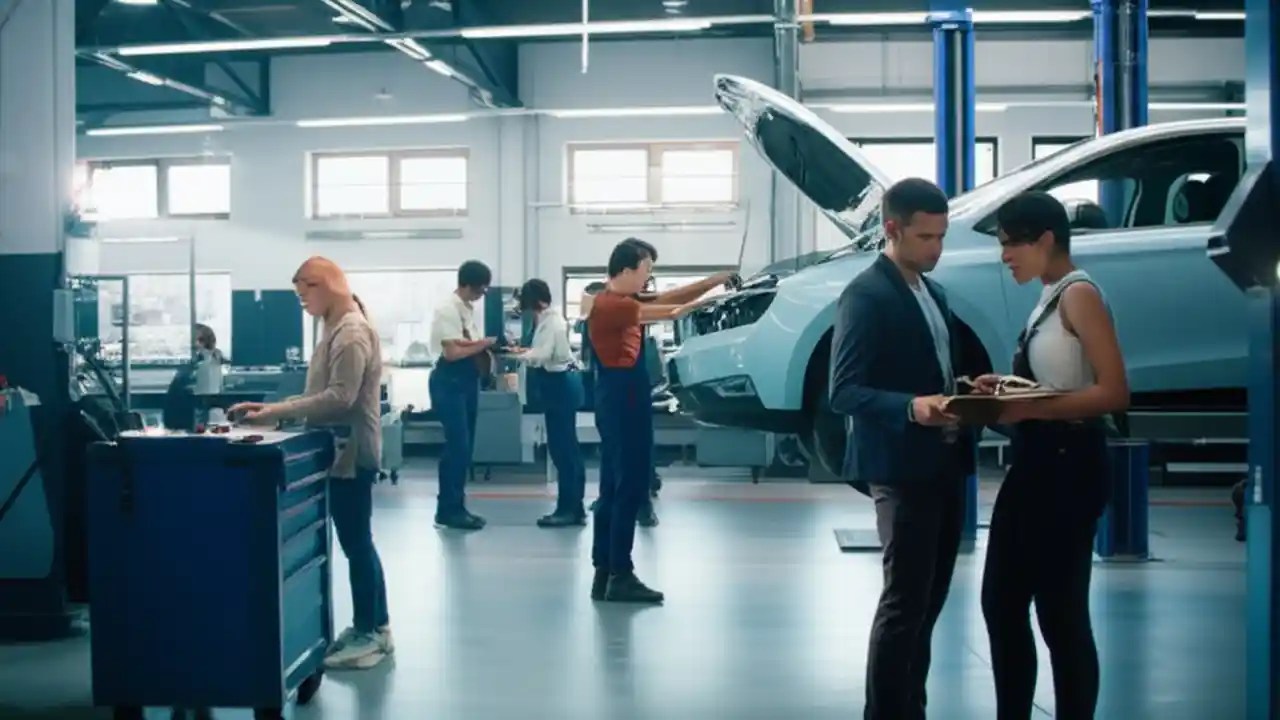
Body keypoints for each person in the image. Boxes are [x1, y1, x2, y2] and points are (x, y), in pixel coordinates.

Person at [828, 178, 982, 720]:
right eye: (925, 238)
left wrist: (968, 389)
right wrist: (911, 407)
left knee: (928, 605)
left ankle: (909, 707)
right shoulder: (866, 296)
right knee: (904, 605)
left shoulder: (931, 292)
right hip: (901, 468)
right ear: (892, 230)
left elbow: (936, 371)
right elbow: (844, 390)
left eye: (942, 236)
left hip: (943, 463)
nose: (936, 248)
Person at [973, 192, 1129, 720]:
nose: (1004, 257)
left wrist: (1032, 408)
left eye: (1010, 245)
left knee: (1061, 616)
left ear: (1044, 240)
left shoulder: (1078, 294)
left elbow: (1113, 393)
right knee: (1002, 603)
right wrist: (1014, 388)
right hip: (1040, 461)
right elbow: (1063, 379)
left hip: (1068, 463)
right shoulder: (1048, 295)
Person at [229, 256, 391, 670]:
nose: (303, 301)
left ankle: (370, 630)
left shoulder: (351, 331)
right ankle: (376, 624)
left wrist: (275, 413)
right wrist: (275, 411)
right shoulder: (334, 325)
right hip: (340, 450)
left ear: (327, 286)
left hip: (351, 452)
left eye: (306, 292)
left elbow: (341, 397)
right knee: (358, 541)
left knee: (356, 542)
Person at [587, 240, 723, 603]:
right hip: (622, 399)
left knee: (613, 488)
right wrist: (712, 301)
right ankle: (621, 574)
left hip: (619, 397)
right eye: (647, 269)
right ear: (629, 269)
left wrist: (715, 280)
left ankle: (604, 571)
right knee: (630, 485)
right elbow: (671, 311)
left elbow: (670, 297)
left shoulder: (616, 299)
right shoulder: (612, 305)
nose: (650, 277)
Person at [513, 278, 589, 527]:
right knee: (567, 449)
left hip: (560, 388)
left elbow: (543, 355)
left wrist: (520, 355)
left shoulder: (551, 322)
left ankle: (568, 509)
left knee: (563, 450)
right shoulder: (548, 320)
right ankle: (573, 507)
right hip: (561, 387)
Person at [428, 260, 495, 531]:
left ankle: (457, 506)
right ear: (465, 285)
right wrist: (484, 343)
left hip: (467, 380)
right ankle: (447, 510)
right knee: (457, 447)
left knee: (465, 448)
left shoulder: (466, 310)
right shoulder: (447, 309)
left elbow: (466, 344)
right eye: (479, 289)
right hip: (449, 380)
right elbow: (452, 352)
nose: (481, 295)